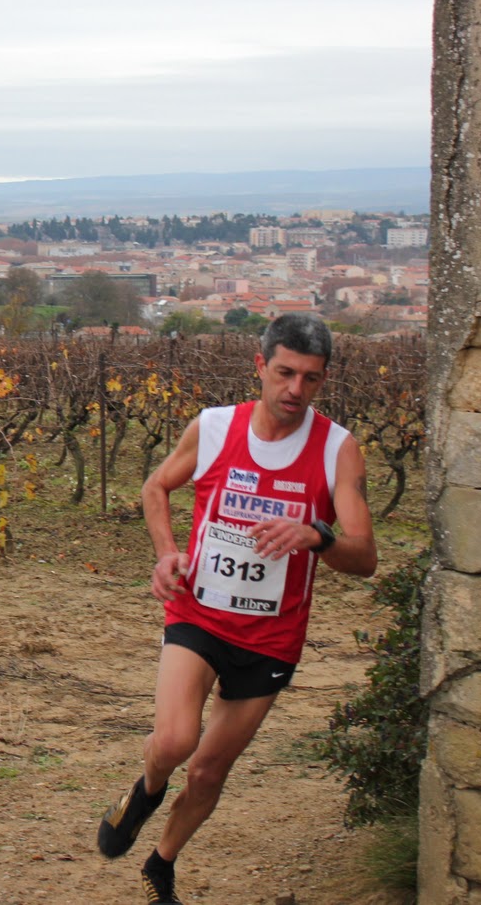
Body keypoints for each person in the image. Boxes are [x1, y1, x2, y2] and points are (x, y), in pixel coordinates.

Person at [97, 313, 377, 904]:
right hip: (198, 612)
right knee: (175, 742)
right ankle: (145, 790)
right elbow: (155, 487)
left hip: (271, 639)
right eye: (284, 373)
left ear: (323, 380)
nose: (295, 390)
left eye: (310, 378)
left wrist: (317, 537)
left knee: (206, 773)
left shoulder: (336, 450)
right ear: (260, 367)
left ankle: (161, 864)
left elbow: (365, 556)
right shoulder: (217, 428)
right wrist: (167, 554)